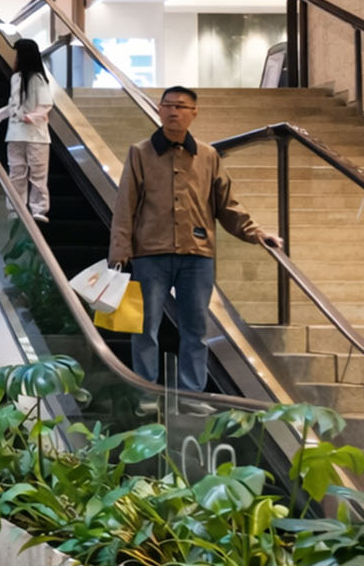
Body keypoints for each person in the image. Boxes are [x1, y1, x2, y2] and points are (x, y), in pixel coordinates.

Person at [108, 86, 281, 393]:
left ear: (194, 113)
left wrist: (257, 234)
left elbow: (227, 204)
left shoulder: (208, 155)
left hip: (197, 255)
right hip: (150, 254)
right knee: (144, 327)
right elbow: (126, 205)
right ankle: (145, 390)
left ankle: (192, 393)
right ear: (159, 110)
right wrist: (120, 251)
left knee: (196, 329)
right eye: (168, 105)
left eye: (181, 106)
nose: (174, 111)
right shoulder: (140, 153)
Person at [0, 38, 53, 222]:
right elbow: (14, 104)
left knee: (37, 172)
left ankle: (39, 209)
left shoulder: (38, 79)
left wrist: (31, 117)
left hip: (35, 135)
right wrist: (0, 114)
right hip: (16, 134)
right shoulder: (16, 78)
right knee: (16, 171)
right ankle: (16, 207)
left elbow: (46, 105)